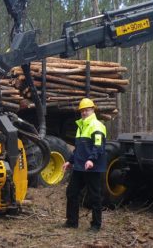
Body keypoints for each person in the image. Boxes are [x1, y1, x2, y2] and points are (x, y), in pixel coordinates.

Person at [62, 98, 107, 231]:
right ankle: (72, 222)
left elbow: (99, 146)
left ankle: (96, 225)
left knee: (94, 196)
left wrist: (91, 159)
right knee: (71, 192)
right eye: (82, 110)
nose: (84, 112)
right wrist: (70, 161)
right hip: (80, 167)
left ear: (93, 110)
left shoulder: (97, 125)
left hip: (93, 167)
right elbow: (78, 148)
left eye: (86, 110)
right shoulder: (81, 126)